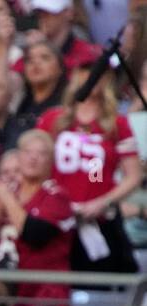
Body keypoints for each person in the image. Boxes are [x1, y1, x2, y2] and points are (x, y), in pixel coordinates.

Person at [37, 66, 142, 275]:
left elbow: (133, 176)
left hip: (99, 219)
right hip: (56, 220)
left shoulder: (117, 124)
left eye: (97, 73)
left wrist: (102, 202)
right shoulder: (53, 119)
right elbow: (34, 162)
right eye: (84, 71)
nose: (91, 78)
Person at [0, 129, 74, 306]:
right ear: (19, 156)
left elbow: (35, 234)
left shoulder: (56, 195)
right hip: (4, 291)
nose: (33, 158)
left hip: (42, 293)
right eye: (28, 152)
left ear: (51, 160)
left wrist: (6, 198)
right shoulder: (9, 191)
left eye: (41, 153)